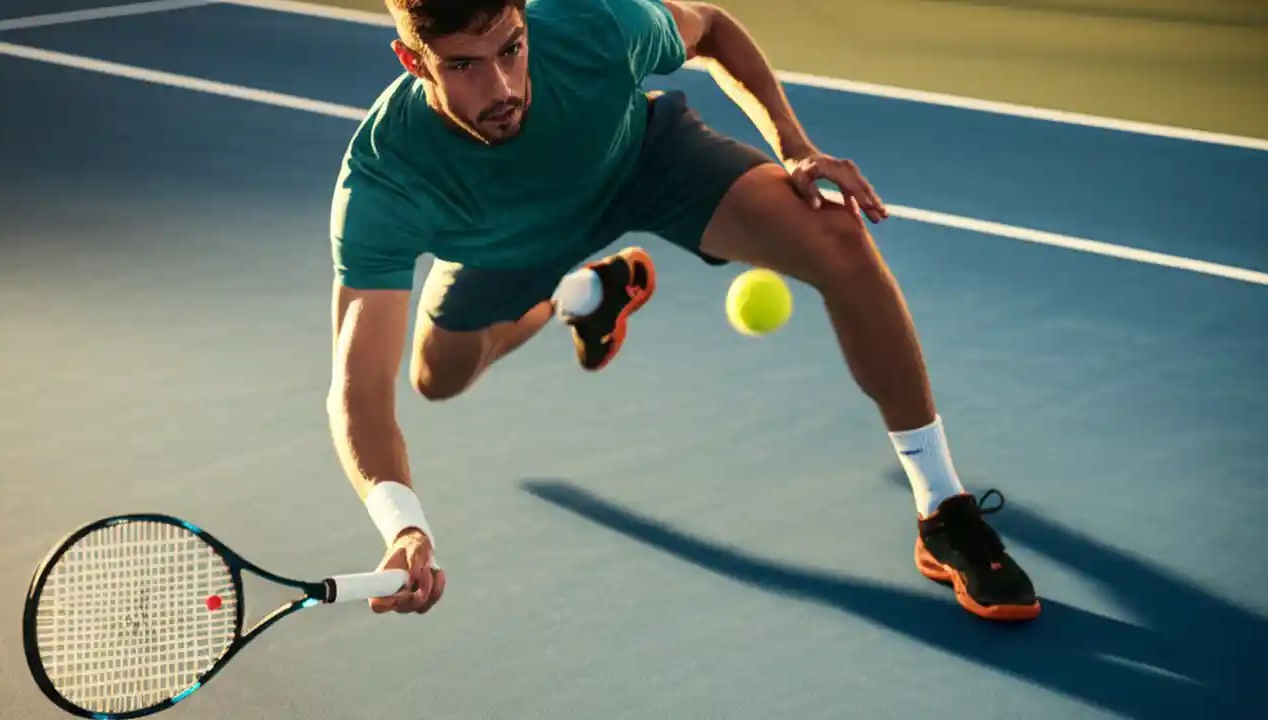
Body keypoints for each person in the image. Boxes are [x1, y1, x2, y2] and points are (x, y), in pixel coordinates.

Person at [327, 0, 1040, 623]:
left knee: (840, 239)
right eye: (463, 67)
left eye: (511, 47)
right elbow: (358, 391)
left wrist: (794, 148)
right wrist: (404, 526)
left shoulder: (591, 22)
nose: (502, 86)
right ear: (411, 60)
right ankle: (587, 293)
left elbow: (715, 29)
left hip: (642, 166)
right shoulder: (385, 181)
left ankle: (942, 507)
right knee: (438, 377)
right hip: (503, 242)